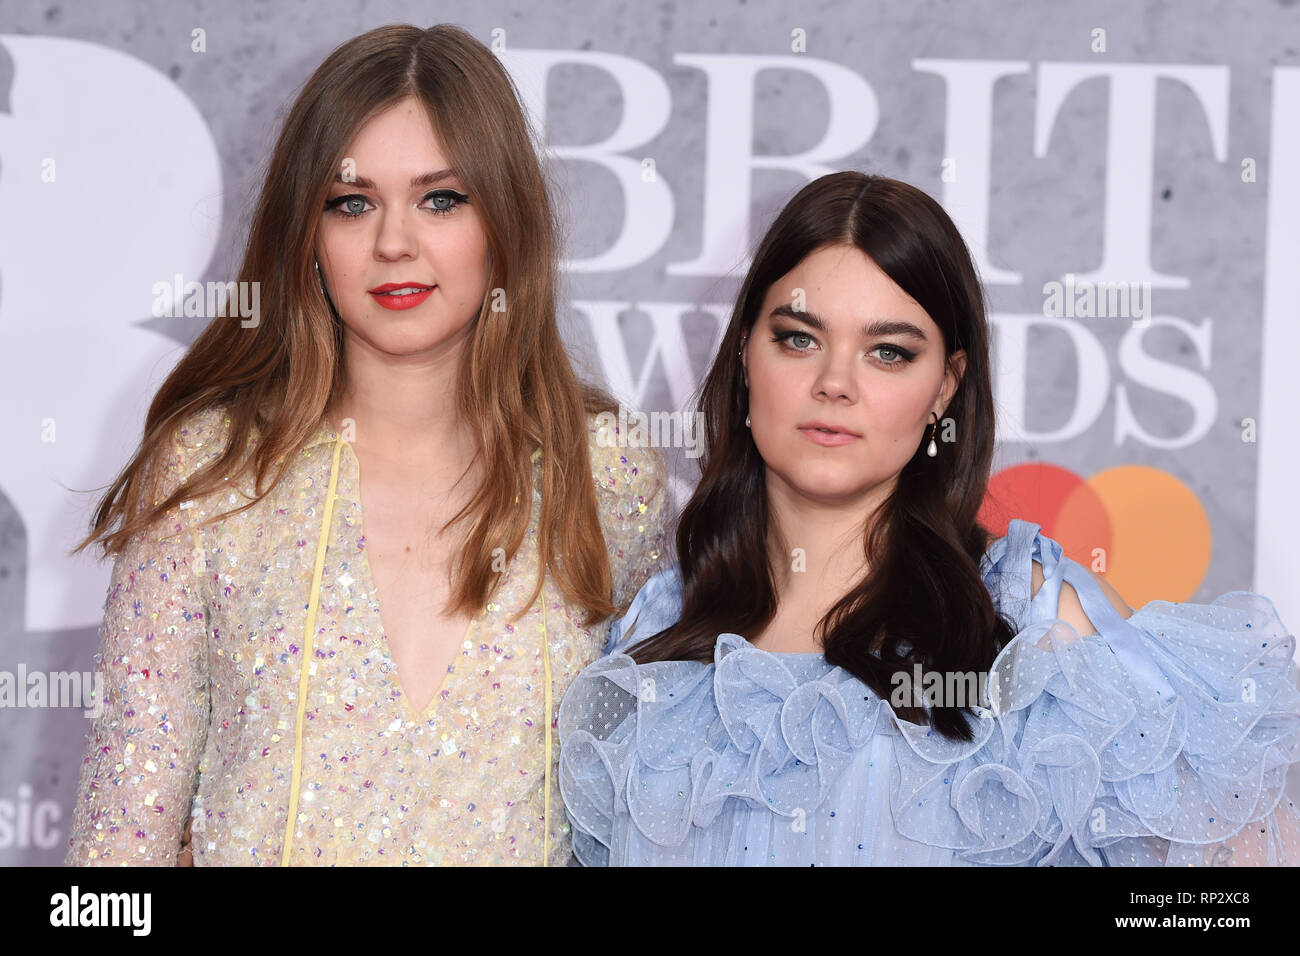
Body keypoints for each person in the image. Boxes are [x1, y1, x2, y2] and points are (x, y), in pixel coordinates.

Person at [557, 171, 1300, 866]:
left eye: (888, 352)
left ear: (945, 387)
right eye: (799, 338)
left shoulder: (1034, 622)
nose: (835, 383)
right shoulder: (650, 636)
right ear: (746, 353)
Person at [65, 23, 667, 867]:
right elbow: (115, 854)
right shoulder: (213, 473)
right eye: (352, 202)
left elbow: (647, 812)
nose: (394, 242)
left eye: (441, 198)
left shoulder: (602, 472)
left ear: (505, 221)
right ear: (306, 233)